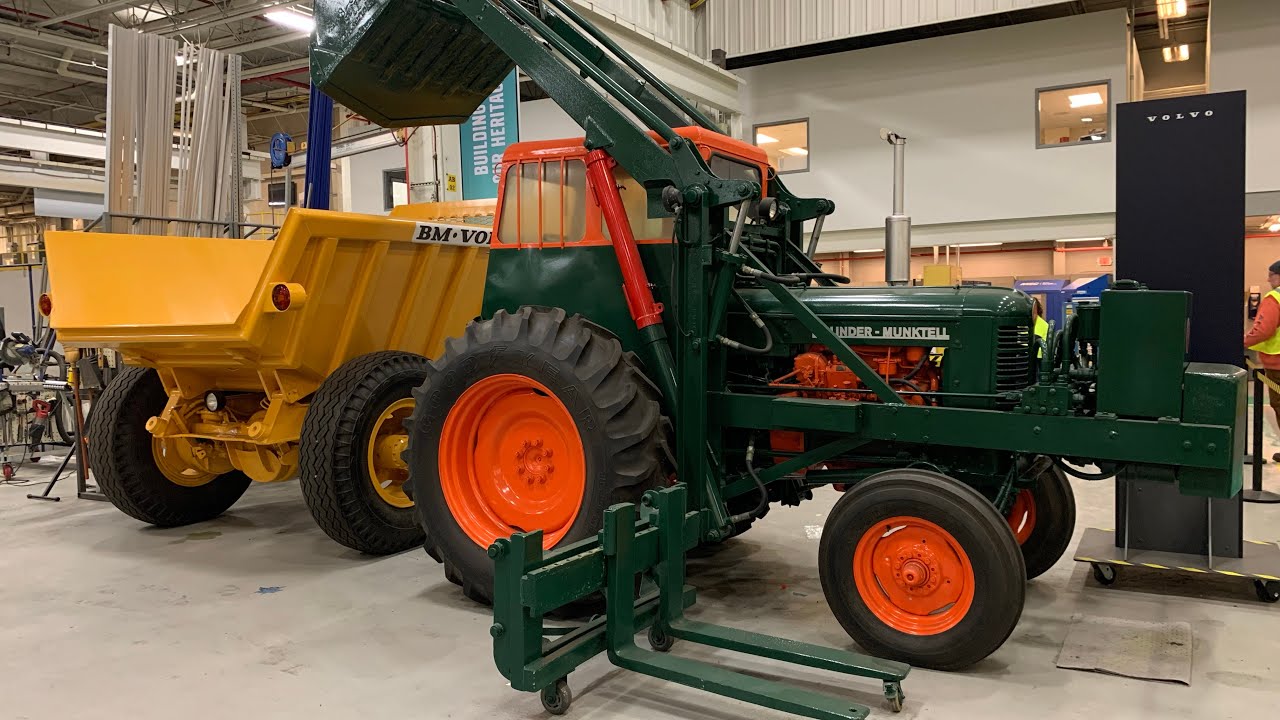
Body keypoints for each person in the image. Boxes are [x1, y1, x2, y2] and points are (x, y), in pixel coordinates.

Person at [1245, 260, 1280, 461]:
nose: (1268, 279)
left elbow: (1263, 330)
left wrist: (1241, 342)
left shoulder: (1274, 298)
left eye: (1271, 275)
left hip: (1277, 363)